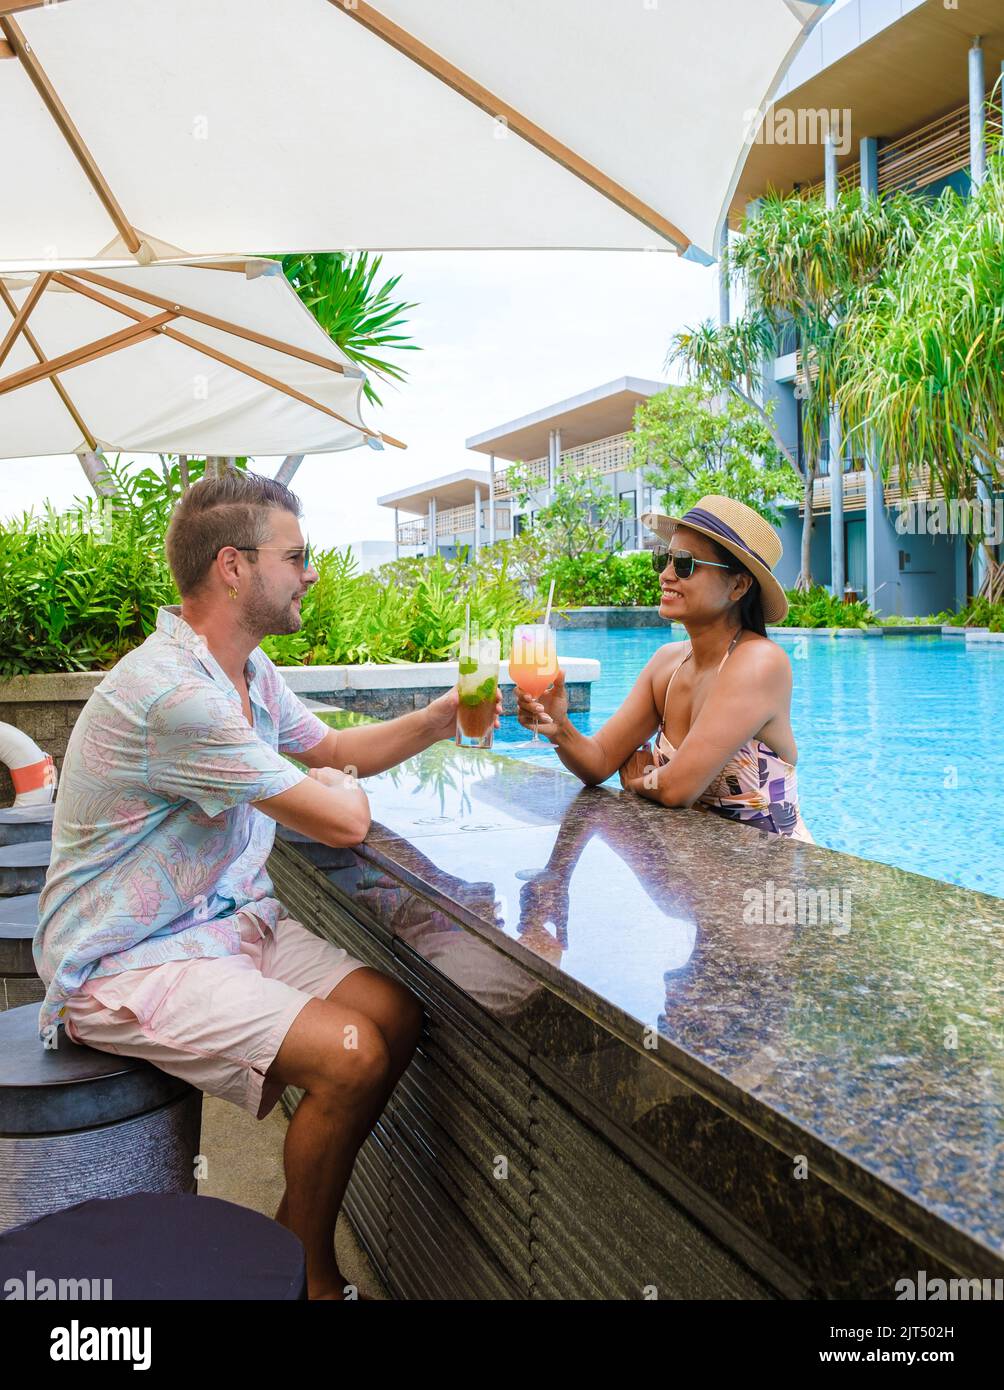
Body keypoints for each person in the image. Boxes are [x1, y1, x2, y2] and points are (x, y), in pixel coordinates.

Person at [33, 466, 500, 1300]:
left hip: (220, 923)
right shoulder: (174, 694)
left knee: (394, 1013)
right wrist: (340, 797)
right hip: (126, 958)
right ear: (233, 567)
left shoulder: (246, 672)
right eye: (298, 556)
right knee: (351, 1055)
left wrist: (441, 715)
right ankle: (313, 1277)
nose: (312, 572)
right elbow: (342, 818)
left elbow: (335, 757)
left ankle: (290, 1234)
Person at [514, 494, 812, 842]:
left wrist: (635, 780)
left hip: (769, 883)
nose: (666, 575)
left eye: (685, 564)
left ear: (738, 585)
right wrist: (560, 728)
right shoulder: (667, 664)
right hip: (692, 875)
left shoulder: (760, 662)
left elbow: (676, 790)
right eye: (663, 559)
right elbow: (599, 761)